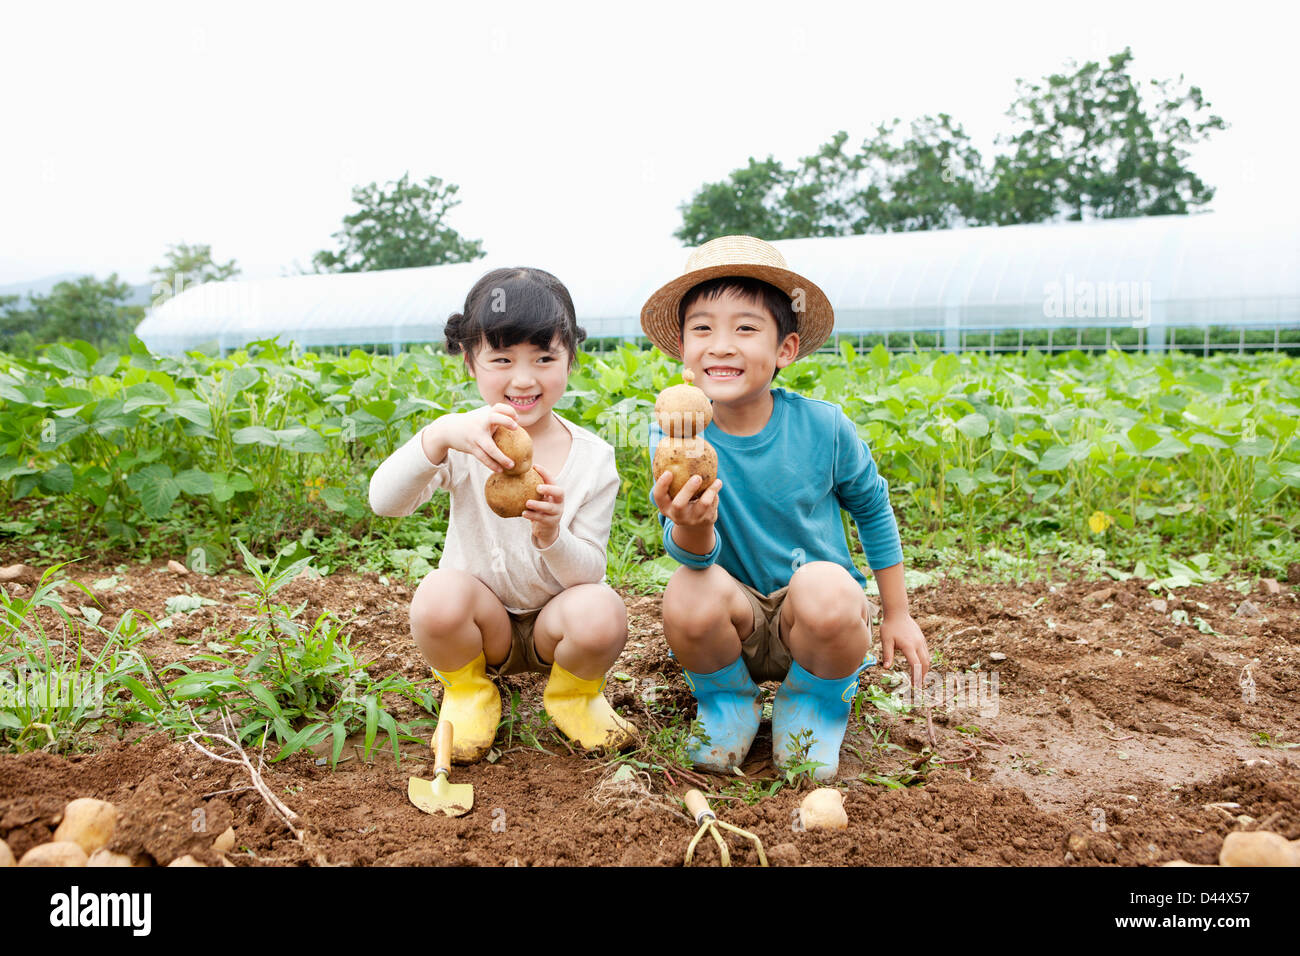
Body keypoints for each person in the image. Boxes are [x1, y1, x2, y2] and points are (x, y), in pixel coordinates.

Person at [642, 235, 930, 781]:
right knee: (685, 591)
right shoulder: (676, 437)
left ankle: (815, 705)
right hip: (737, 624)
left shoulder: (824, 427)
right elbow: (697, 560)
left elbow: (872, 507)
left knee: (826, 585)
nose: (721, 345)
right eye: (702, 328)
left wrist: (898, 613)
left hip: (817, 625)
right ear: (683, 351)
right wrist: (691, 524)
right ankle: (728, 702)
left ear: (785, 350)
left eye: (745, 328)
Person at [369, 267, 636, 763]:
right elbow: (385, 503)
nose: (523, 377)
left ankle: (574, 698)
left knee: (603, 610)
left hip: (554, 630)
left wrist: (551, 533)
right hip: (481, 624)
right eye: (502, 358)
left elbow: (589, 573)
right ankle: (469, 692)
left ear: (570, 359)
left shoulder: (593, 457)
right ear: (470, 362)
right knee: (437, 595)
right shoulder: (465, 440)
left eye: (544, 357)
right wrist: (439, 435)